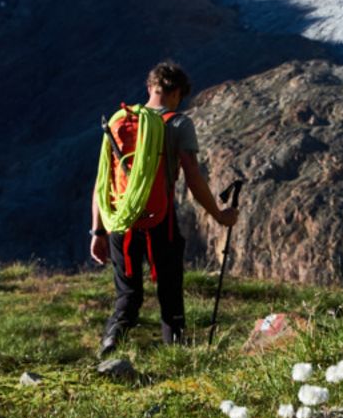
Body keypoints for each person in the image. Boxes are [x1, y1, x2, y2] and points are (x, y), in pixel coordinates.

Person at [90, 62, 235, 354]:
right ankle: (176, 356)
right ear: (178, 93)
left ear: (150, 87)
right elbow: (193, 176)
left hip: (121, 221)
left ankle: (111, 343)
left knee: (128, 294)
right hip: (160, 220)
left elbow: (102, 180)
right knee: (169, 292)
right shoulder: (178, 123)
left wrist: (98, 231)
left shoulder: (119, 121)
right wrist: (219, 215)